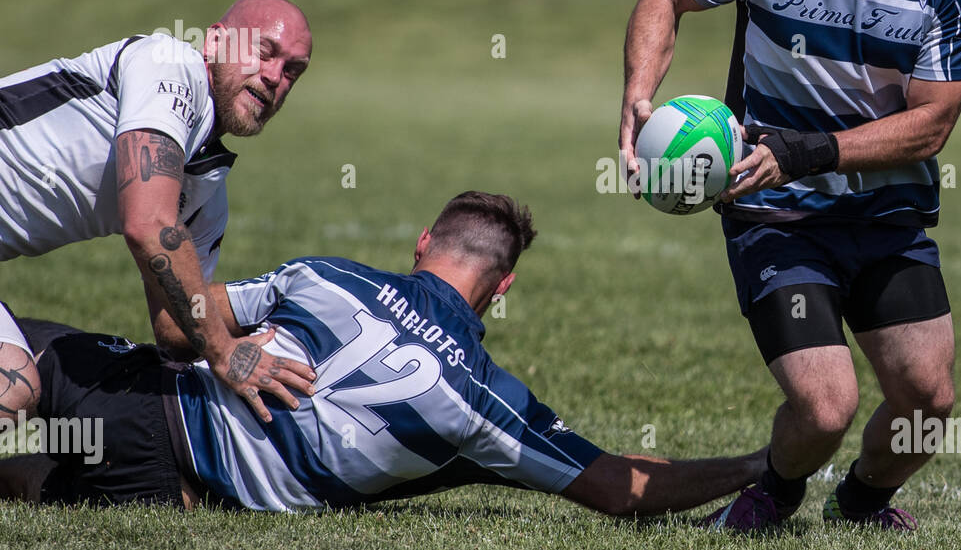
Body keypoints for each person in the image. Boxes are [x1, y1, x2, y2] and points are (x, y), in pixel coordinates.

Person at [618, 0, 961, 532]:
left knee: (929, 399)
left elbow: (931, 126)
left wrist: (812, 151)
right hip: (775, 212)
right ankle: (771, 497)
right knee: (826, 408)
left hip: (886, 212)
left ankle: (861, 504)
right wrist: (638, 93)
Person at [0, 192, 764, 516]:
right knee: (32, 476)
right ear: (504, 287)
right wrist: (763, 466)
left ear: (424, 242)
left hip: (146, 401)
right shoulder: (481, 405)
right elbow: (617, 485)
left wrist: (233, 348)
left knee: (18, 346)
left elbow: (177, 329)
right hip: (169, 494)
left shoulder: (327, 276)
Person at [0, 0, 317, 426]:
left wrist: (292, 312)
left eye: (292, 72)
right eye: (264, 52)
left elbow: (175, 325)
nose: (274, 77)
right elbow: (148, 223)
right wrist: (226, 353)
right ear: (215, 42)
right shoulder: (170, 65)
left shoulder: (206, 187)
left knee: (11, 389)